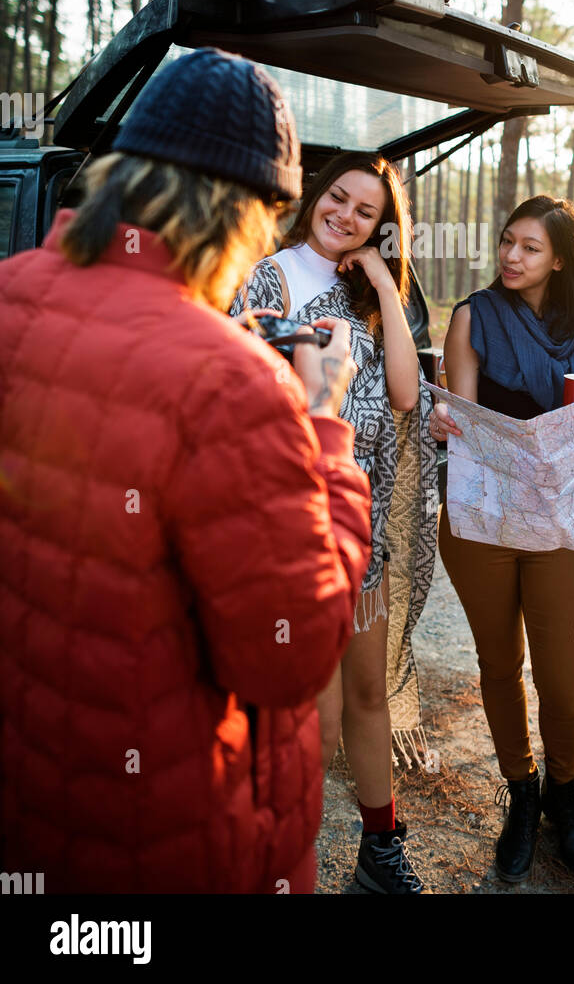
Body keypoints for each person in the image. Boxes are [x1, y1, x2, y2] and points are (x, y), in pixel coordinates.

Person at [0, 48, 372, 895]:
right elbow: (290, 657)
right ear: (242, 213)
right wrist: (317, 426)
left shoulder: (10, 293)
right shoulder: (229, 385)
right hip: (173, 835)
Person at [231, 151, 438, 895]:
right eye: (338, 198)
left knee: (367, 694)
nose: (345, 216)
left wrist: (383, 280)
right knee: (309, 717)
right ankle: (290, 860)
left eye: (366, 213)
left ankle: (379, 851)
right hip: (299, 530)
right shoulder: (270, 277)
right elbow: (240, 397)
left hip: (368, 527)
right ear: (315, 195)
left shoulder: (368, 295)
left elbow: (408, 396)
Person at [431, 194, 574, 883]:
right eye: (507, 241)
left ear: (558, 258)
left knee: (561, 680)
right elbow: (459, 416)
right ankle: (522, 792)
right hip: (481, 520)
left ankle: (564, 796)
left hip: (555, 522)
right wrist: (443, 420)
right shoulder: (472, 316)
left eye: (530, 247)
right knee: (498, 665)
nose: (511, 255)